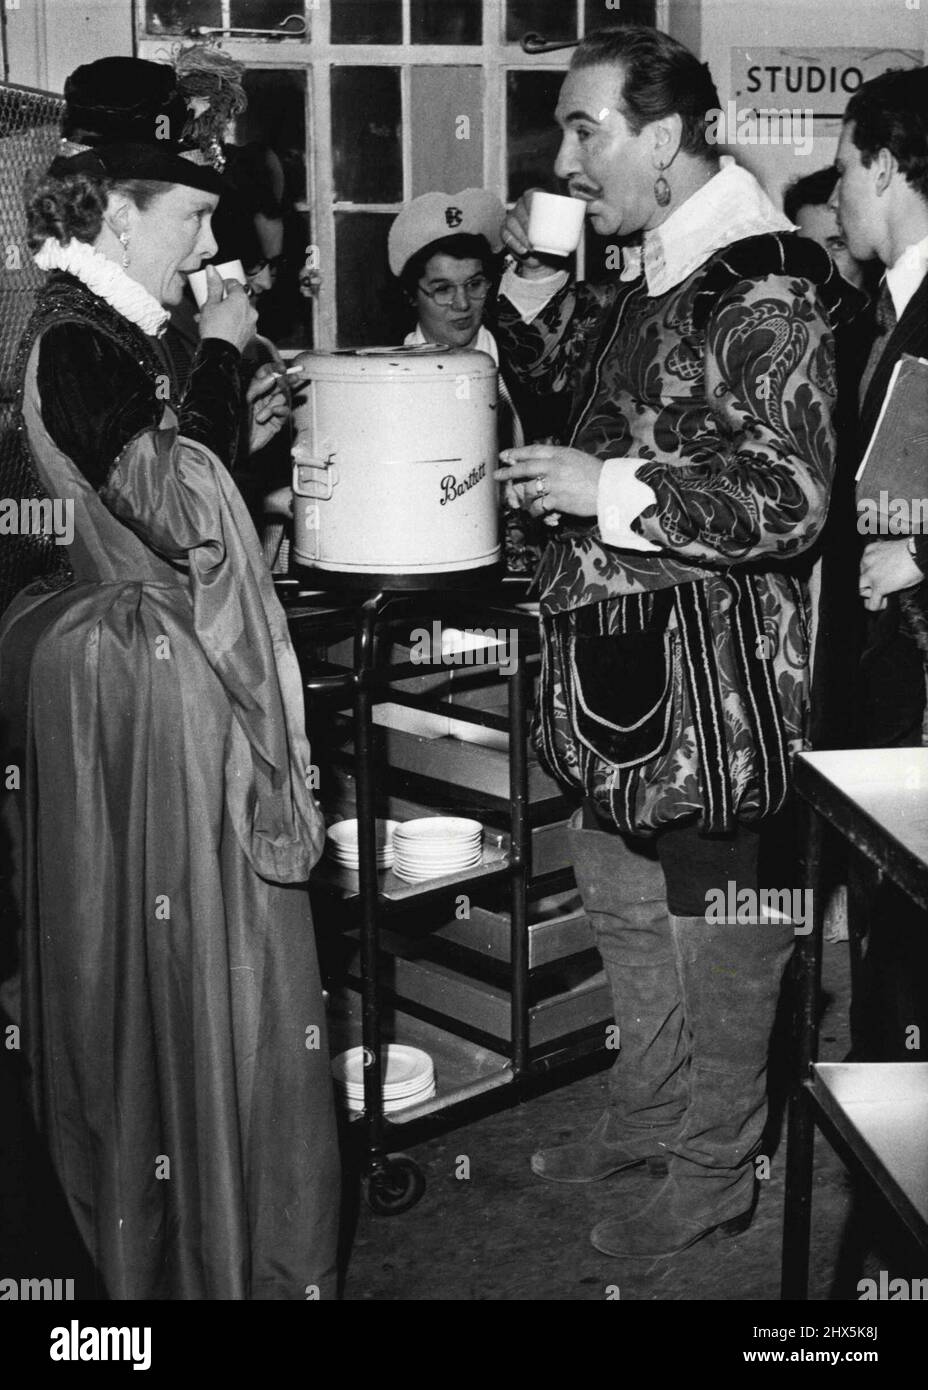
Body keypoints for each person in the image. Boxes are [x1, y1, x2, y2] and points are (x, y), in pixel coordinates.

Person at [493, 25, 856, 1258]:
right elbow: (584, 405)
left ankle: (713, 1173)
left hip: (720, 701)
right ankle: (646, 1128)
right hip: (625, 688)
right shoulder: (647, 267)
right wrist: (531, 294)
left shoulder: (763, 276)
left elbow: (789, 497)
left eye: (584, 129)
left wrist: (605, 486)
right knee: (628, 916)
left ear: (665, 134)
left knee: (723, 944)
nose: (565, 158)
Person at [0, 57, 339, 1299]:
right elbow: (175, 496)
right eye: (191, 214)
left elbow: (155, 487)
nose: (209, 242)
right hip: (135, 693)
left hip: (134, 675)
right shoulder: (81, 336)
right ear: (115, 211)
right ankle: (194, 1249)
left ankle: (214, 1232)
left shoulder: (105, 332)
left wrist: (228, 399)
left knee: (183, 970)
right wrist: (227, 356)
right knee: (190, 967)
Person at [829, 65, 928, 1061]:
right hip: (884, 685)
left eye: (845, 171)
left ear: (888, 167)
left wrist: (920, 552)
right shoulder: (884, 310)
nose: (837, 194)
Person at [388, 189, 552, 577]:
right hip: (435, 567)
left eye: (475, 284)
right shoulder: (393, 382)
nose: (462, 304)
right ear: (412, 295)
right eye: (442, 289)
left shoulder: (531, 362)